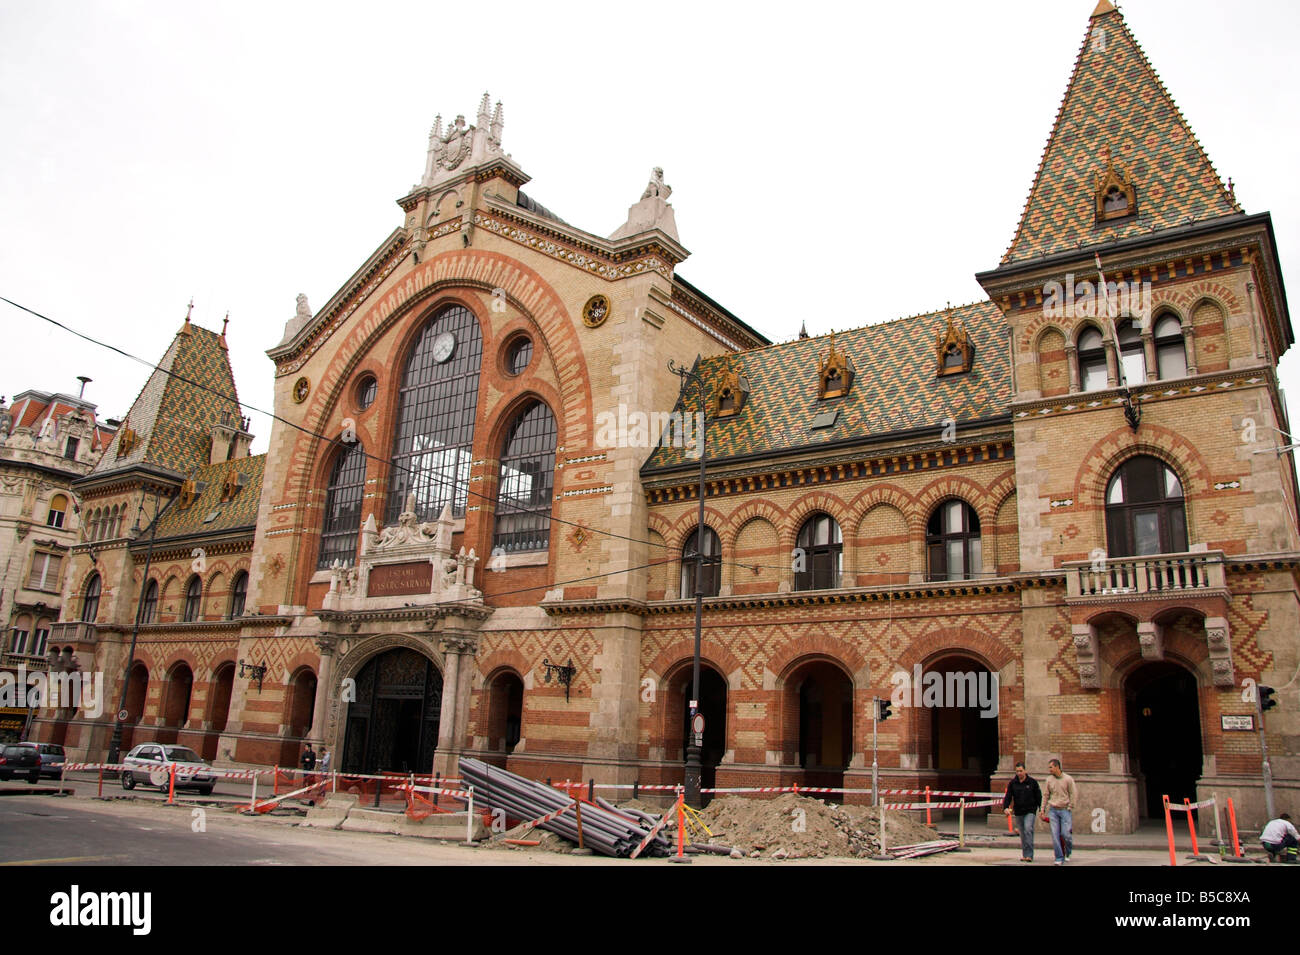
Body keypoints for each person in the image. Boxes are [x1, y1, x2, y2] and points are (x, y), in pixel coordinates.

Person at [1002, 761, 1042, 862]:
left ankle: (1030, 855)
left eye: (1021, 771)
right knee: (1023, 834)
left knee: (1028, 829)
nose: (1019, 773)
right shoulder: (1013, 783)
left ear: (1025, 771)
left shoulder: (1032, 782)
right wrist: (1005, 807)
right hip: (1019, 811)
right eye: (1017, 771)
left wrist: (1041, 808)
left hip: (1030, 810)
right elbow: (1008, 796)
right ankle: (1025, 854)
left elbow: (1039, 796)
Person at [1040, 758, 1076, 865]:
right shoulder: (1049, 780)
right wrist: (1042, 809)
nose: (1049, 769)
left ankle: (1068, 851)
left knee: (1066, 834)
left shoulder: (1068, 779)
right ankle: (1059, 857)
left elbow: (1073, 793)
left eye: (1051, 767)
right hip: (1053, 810)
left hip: (1065, 809)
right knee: (1055, 835)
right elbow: (1046, 795)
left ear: (1057, 767)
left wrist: (1070, 806)